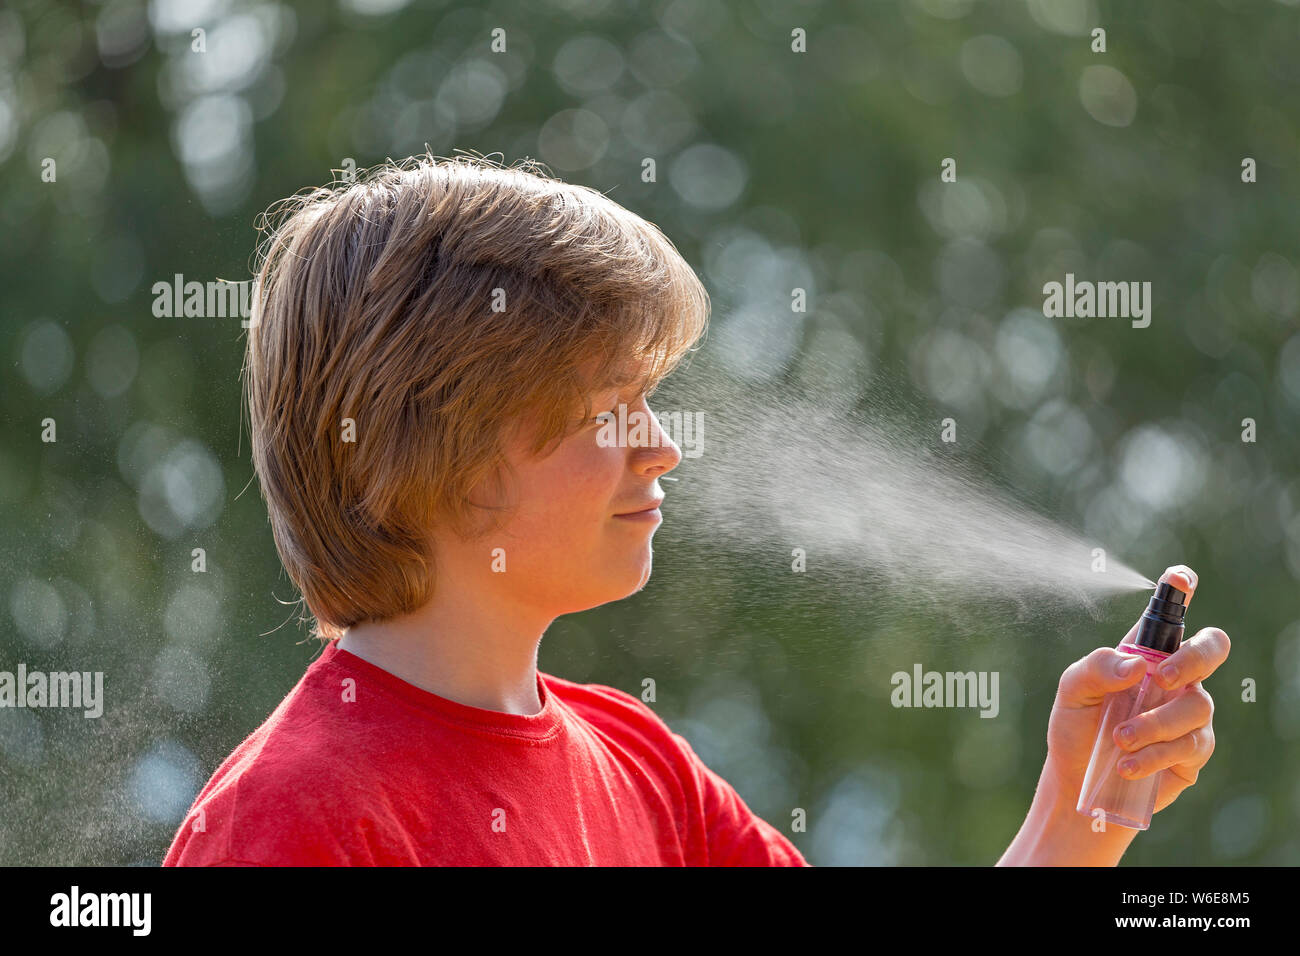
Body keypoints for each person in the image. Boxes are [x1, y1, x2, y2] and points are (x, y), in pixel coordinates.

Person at [163, 155, 1229, 866]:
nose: (663, 443)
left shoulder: (642, 764)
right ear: (437, 442)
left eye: (652, 401)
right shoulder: (295, 820)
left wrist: (1079, 809)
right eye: (608, 409)